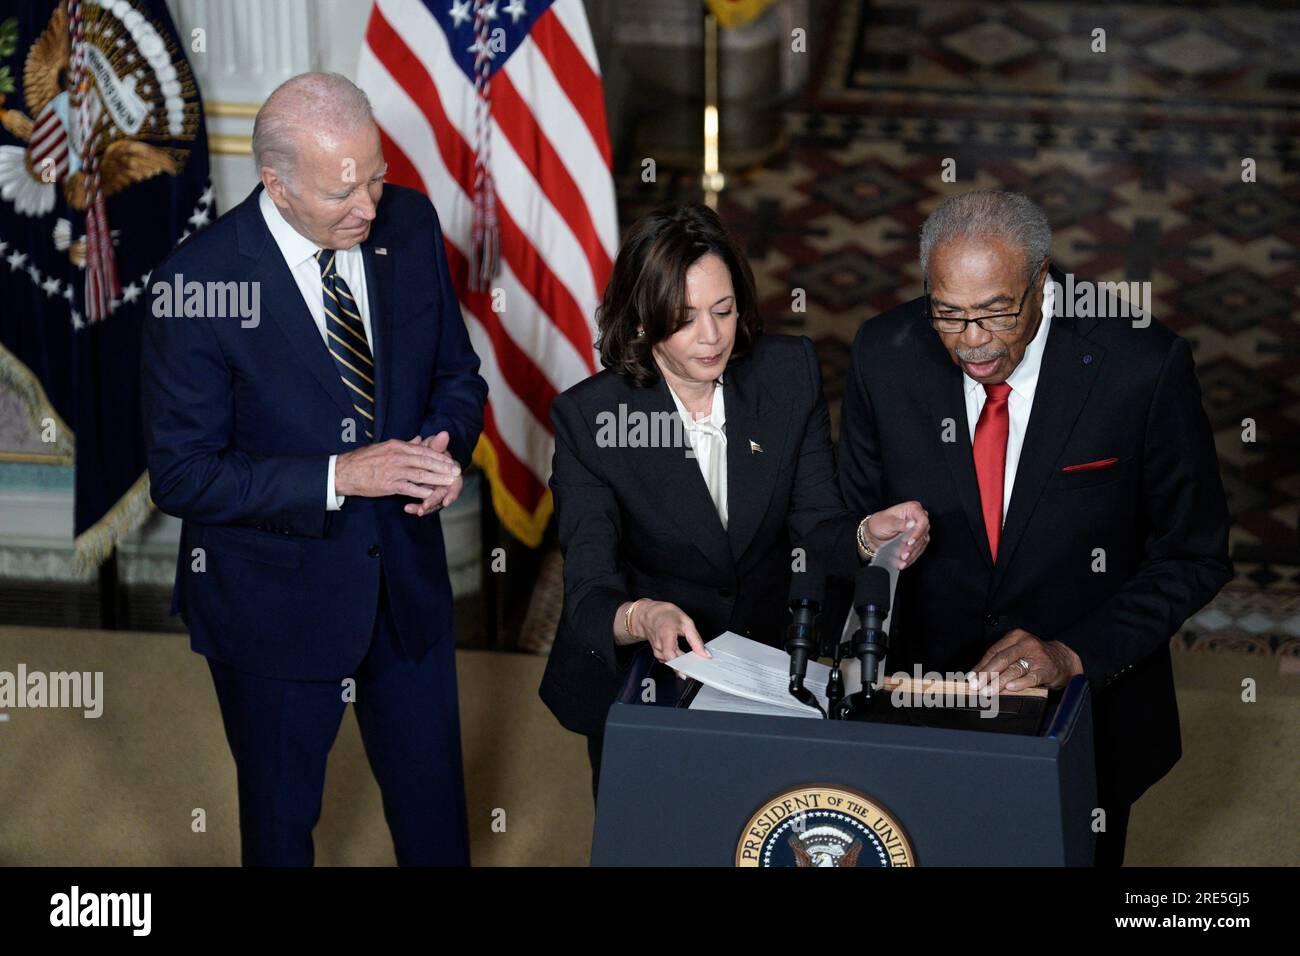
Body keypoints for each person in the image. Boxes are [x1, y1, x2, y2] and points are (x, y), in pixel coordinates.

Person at [141, 72, 488, 866]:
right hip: (273, 610)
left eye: (375, 175)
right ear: (277, 184)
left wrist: (440, 448)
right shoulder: (197, 286)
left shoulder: (409, 221)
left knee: (436, 823)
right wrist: (340, 476)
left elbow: (457, 376)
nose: (369, 205)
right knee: (280, 826)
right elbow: (185, 476)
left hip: (405, 589)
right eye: (343, 192)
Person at [836, 188, 1232, 865]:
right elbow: (843, 522)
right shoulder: (885, 352)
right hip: (922, 700)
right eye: (949, 316)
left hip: (1087, 713)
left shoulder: (1141, 364)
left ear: (1041, 282)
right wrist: (870, 538)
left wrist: (1073, 654)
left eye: (995, 312)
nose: (973, 342)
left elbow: (1194, 554)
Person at [538, 202, 930, 796]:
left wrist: (867, 535)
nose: (713, 336)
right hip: (652, 678)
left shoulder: (787, 373)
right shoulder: (590, 419)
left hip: (773, 665)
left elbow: (818, 525)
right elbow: (590, 590)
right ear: (642, 323)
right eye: (685, 318)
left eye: (724, 310)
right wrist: (644, 615)